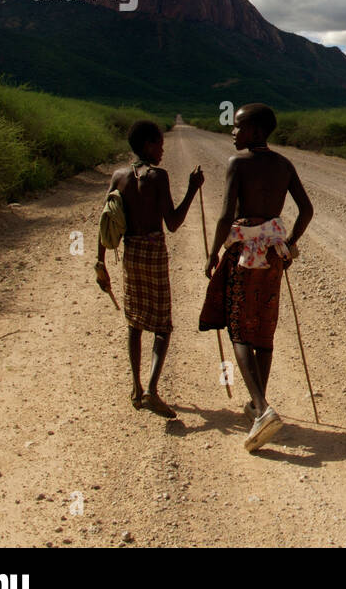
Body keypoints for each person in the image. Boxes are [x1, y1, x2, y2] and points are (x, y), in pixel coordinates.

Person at [200, 104, 313, 452]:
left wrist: (213, 252)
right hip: (273, 255)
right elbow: (307, 209)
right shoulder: (283, 165)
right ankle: (256, 405)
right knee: (262, 327)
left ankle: (262, 409)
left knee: (237, 327)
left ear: (256, 131)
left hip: (244, 254)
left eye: (238, 127)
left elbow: (224, 216)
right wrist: (289, 244)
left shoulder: (239, 164)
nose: (233, 132)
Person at [96, 120, 203, 418]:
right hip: (154, 253)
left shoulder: (118, 177)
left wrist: (99, 261)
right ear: (147, 145)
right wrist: (193, 189)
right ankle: (152, 390)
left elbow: (107, 220)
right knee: (162, 326)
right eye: (159, 144)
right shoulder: (158, 177)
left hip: (130, 254)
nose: (162, 150)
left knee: (135, 323)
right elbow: (173, 223)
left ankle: (135, 388)